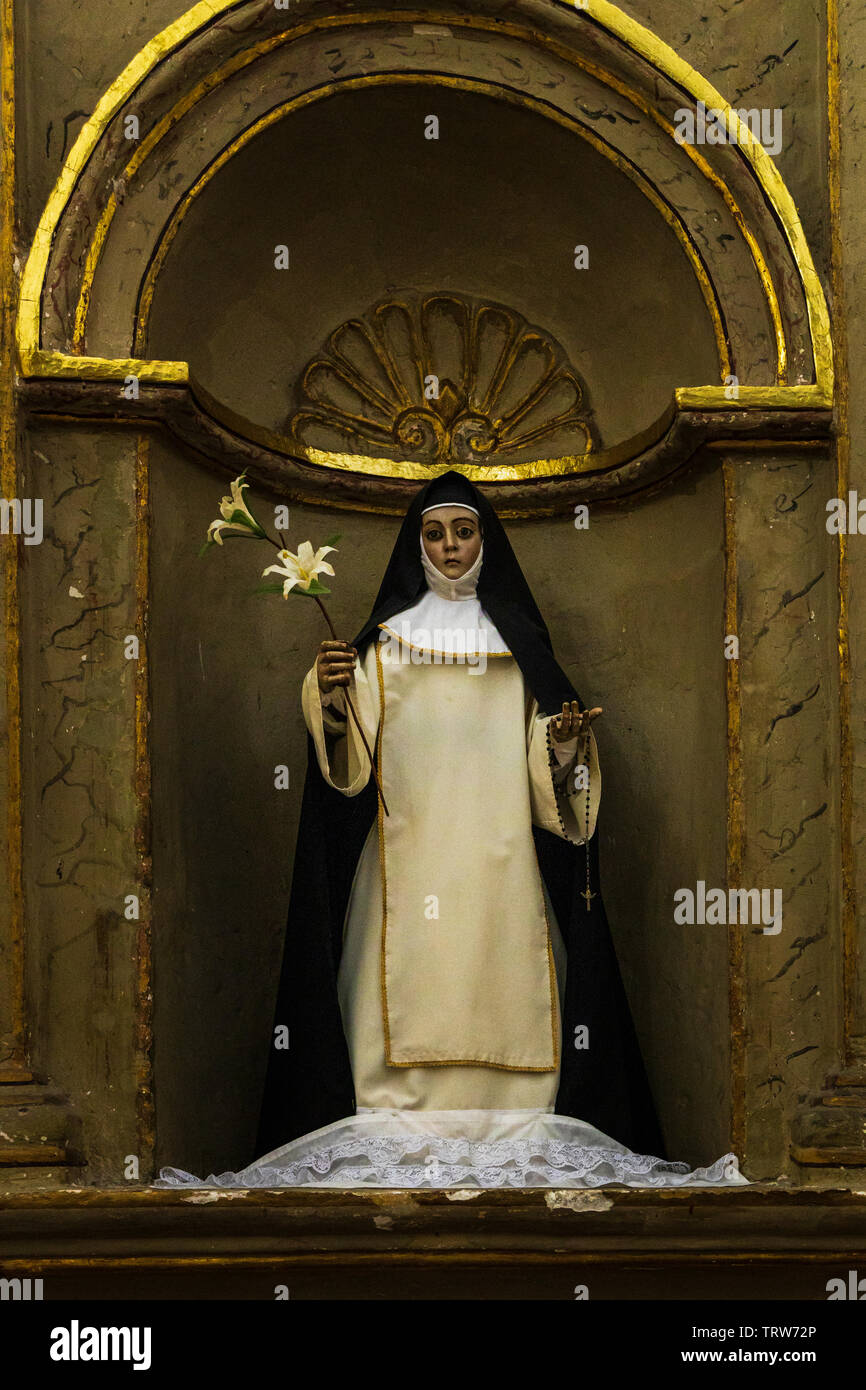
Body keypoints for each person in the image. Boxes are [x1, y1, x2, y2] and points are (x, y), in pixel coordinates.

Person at [157, 470, 747, 1189]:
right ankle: (398, 1126)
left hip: (500, 854)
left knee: (508, 969)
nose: (451, 545)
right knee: (402, 979)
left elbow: (548, 787)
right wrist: (333, 693)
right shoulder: (385, 644)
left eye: (463, 531)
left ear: (484, 540)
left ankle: (513, 1119)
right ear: (418, 545)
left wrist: (561, 743)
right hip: (405, 854)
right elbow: (349, 768)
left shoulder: (518, 644)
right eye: (435, 533)